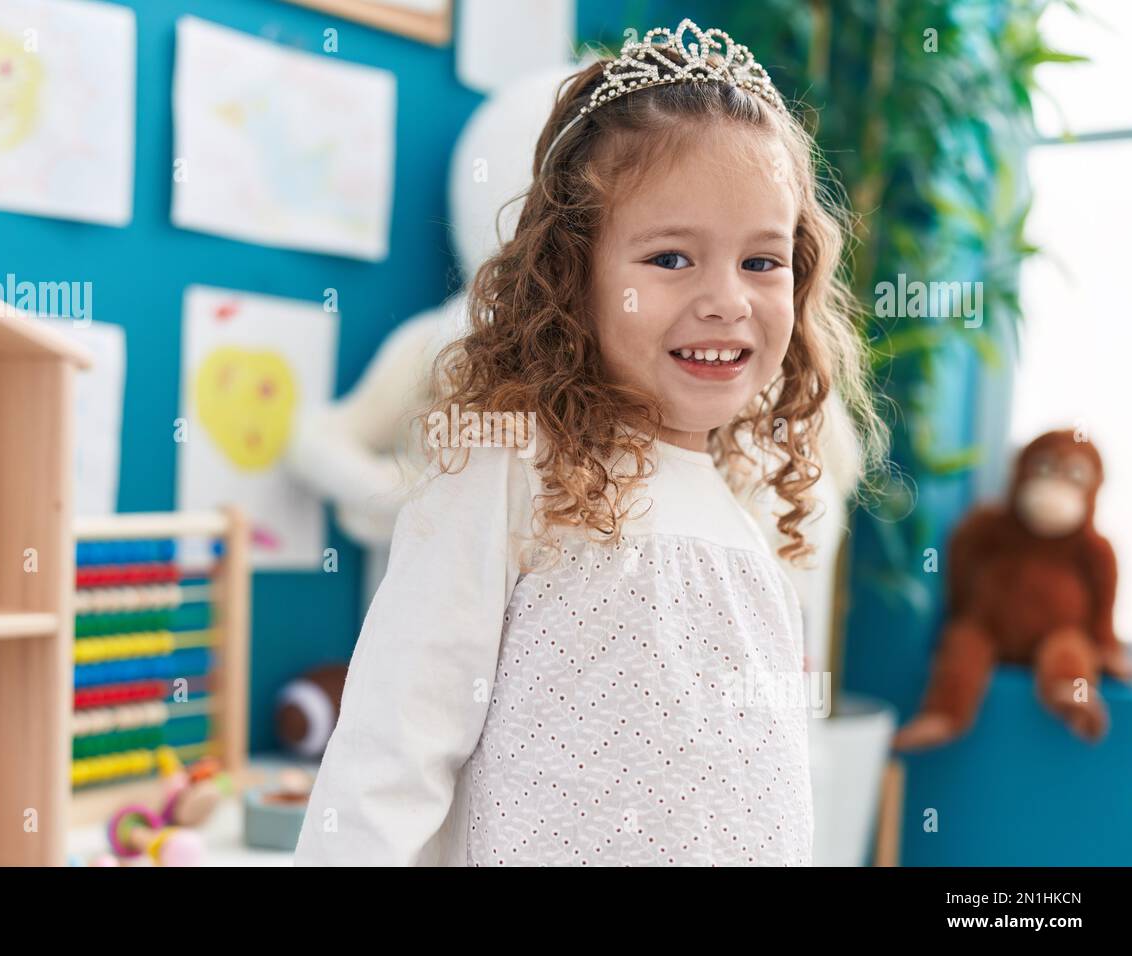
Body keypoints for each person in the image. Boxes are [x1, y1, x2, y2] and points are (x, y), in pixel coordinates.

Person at [293, 19, 889, 866]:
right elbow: (392, 749)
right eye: (673, 257)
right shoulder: (509, 464)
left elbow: (758, 797)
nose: (728, 299)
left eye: (763, 262)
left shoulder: (745, 506)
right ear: (573, 274)